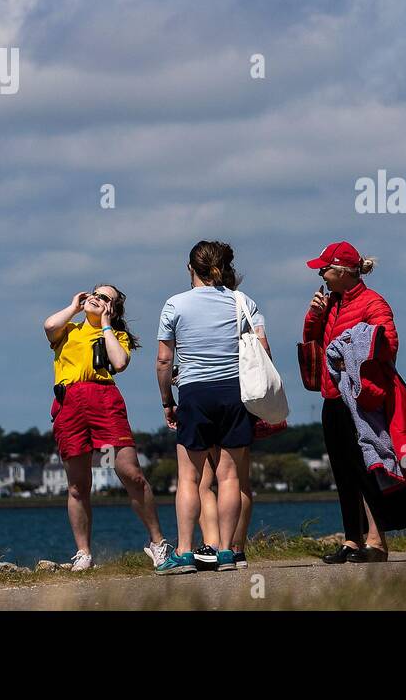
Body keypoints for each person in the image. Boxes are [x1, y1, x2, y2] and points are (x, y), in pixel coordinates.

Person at [303, 242, 406, 563]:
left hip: (360, 401)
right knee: (344, 472)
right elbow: (311, 340)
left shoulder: (374, 302)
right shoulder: (330, 302)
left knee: (366, 469)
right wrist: (314, 314)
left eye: (325, 268)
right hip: (331, 397)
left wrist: (354, 358)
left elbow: (388, 343)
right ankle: (352, 539)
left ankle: (377, 542)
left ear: (343, 272)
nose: (320, 273)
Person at [154, 241, 269, 574]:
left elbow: (164, 360)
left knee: (189, 478)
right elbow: (263, 351)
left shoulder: (175, 304)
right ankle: (226, 553)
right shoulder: (242, 301)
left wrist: (167, 400)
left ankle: (186, 552)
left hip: (194, 392)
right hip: (235, 393)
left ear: (191, 268)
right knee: (230, 476)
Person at [43, 286, 171, 571]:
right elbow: (49, 325)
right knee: (78, 484)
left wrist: (105, 325)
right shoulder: (69, 330)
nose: (96, 299)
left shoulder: (116, 334)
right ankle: (83, 553)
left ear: (112, 309)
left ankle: (158, 543)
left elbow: (119, 362)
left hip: (104, 399)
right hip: (69, 401)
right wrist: (74, 306)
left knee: (131, 474)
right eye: (95, 293)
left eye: (105, 298)